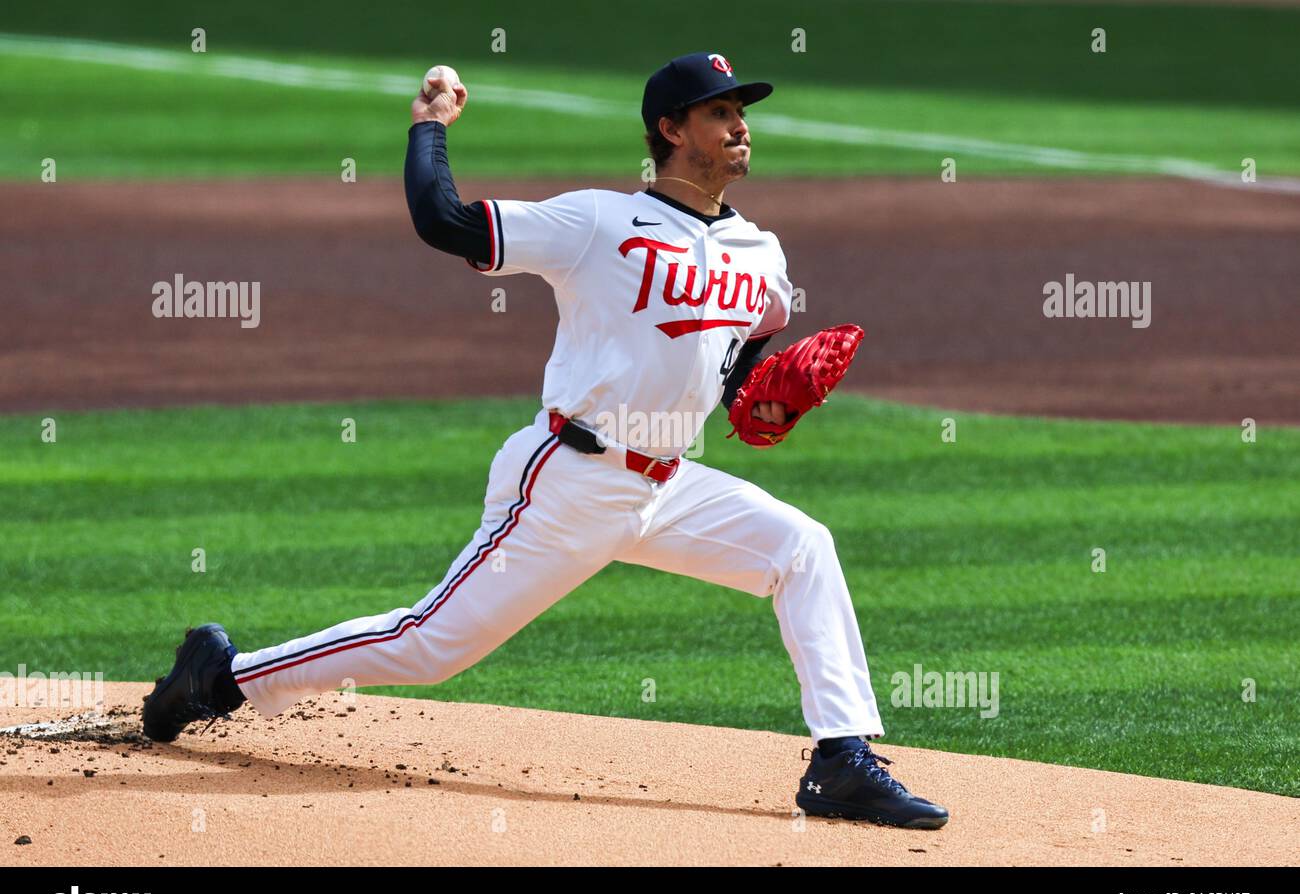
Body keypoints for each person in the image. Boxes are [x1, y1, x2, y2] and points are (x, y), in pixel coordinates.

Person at [142, 51, 949, 829]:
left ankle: (841, 760)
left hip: (668, 486)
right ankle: (221, 676)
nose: (740, 127)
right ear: (671, 128)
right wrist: (431, 126)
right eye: (720, 113)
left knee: (802, 546)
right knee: (428, 646)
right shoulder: (598, 220)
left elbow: (735, 361)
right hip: (567, 480)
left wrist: (760, 402)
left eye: (741, 113)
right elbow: (446, 222)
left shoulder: (762, 254)